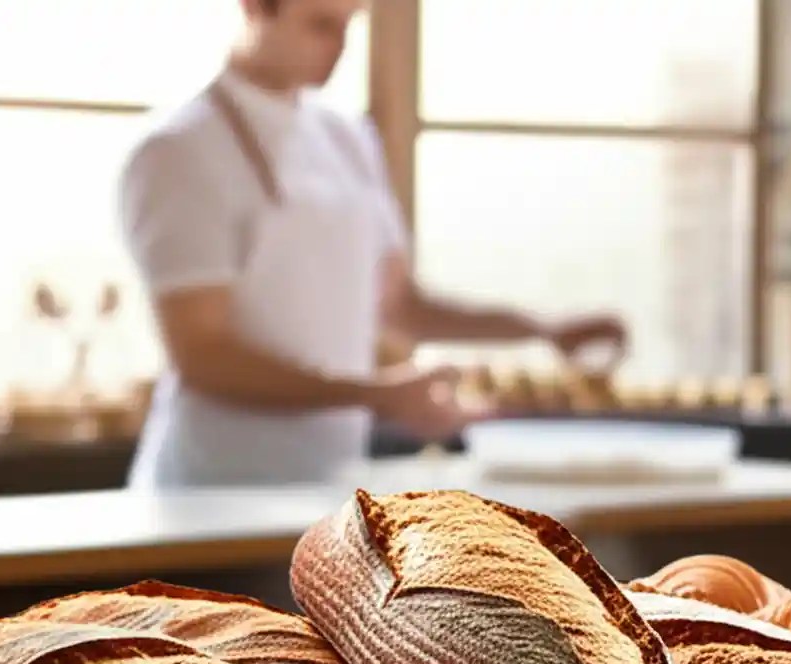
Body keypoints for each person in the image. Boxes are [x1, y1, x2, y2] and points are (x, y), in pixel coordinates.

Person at [120, 0, 627, 488]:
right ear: (253, 6)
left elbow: (401, 305)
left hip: (326, 487)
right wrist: (377, 395)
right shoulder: (177, 151)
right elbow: (203, 353)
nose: (338, 47)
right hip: (207, 490)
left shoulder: (347, 139)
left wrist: (543, 329)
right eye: (320, 25)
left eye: (349, 24)